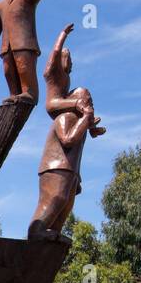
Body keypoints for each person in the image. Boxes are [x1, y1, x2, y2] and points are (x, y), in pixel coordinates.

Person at [27, 29, 106, 240]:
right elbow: (68, 139)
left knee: (65, 206)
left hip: (70, 171)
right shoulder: (64, 117)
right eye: (87, 101)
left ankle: (50, 238)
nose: (71, 63)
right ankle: (36, 232)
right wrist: (62, 35)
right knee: (56, 199)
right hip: (56, 167)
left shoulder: (76, 114)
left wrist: (90, 125)